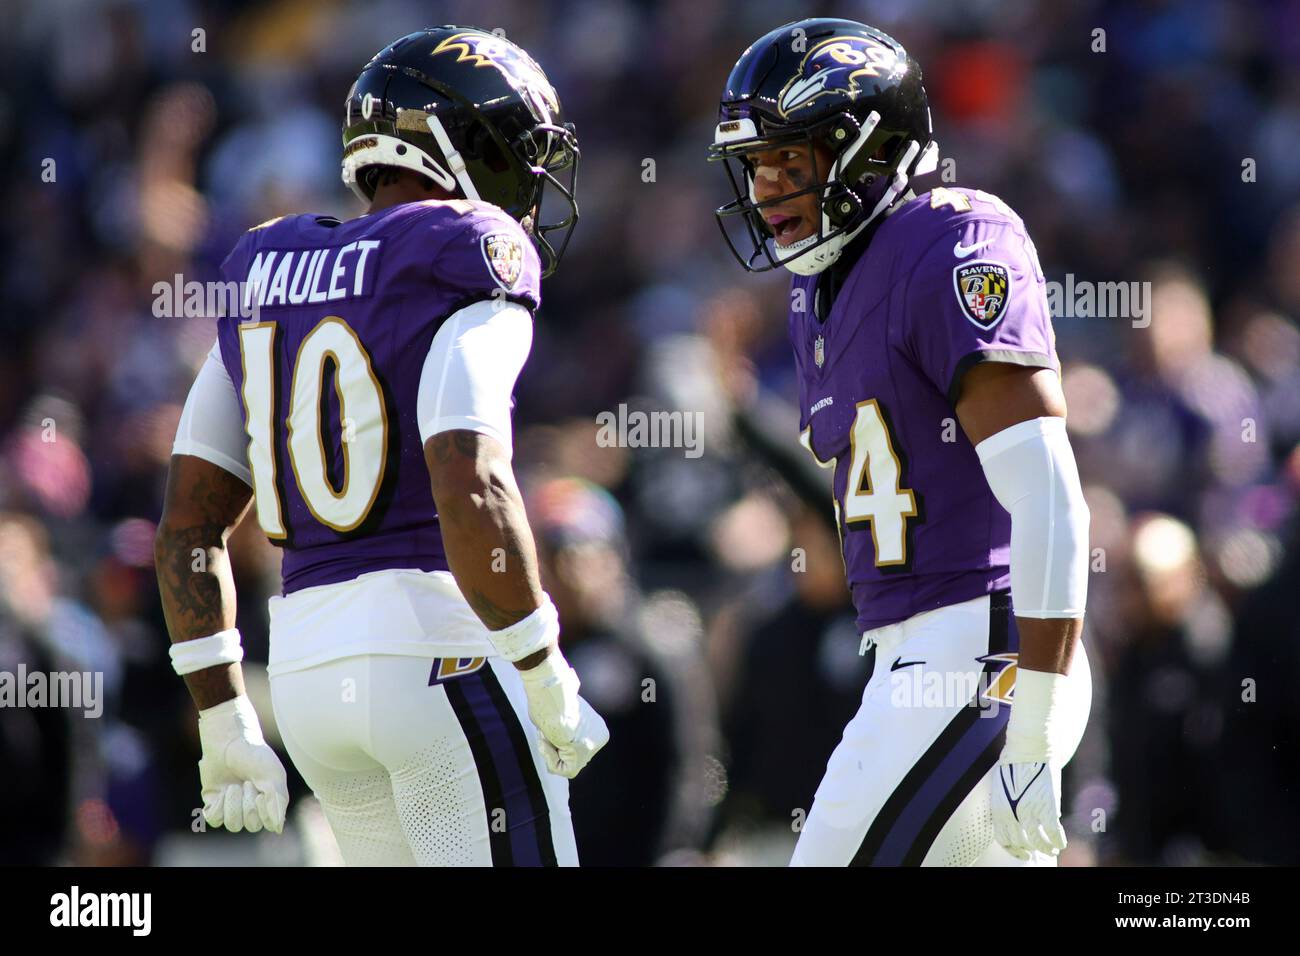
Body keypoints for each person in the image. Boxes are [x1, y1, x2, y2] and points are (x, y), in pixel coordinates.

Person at [154, 26, 607, 866]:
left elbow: (188, 523)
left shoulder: (264, 265)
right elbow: (470, 477)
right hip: (437, 648)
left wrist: (222, 712)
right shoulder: (468, 249)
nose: (531, 180)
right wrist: (544, 668)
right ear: (463, 148)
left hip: (308, 676)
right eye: (517, 151)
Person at [707, 17, 1092, 866]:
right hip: (909, 655)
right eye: (756, 165)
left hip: (983, 648)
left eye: (789, 160)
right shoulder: (816, 291)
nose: (766, 189)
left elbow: (1050, 496)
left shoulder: (949, 239)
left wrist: (1033, 722)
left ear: (869, 151)